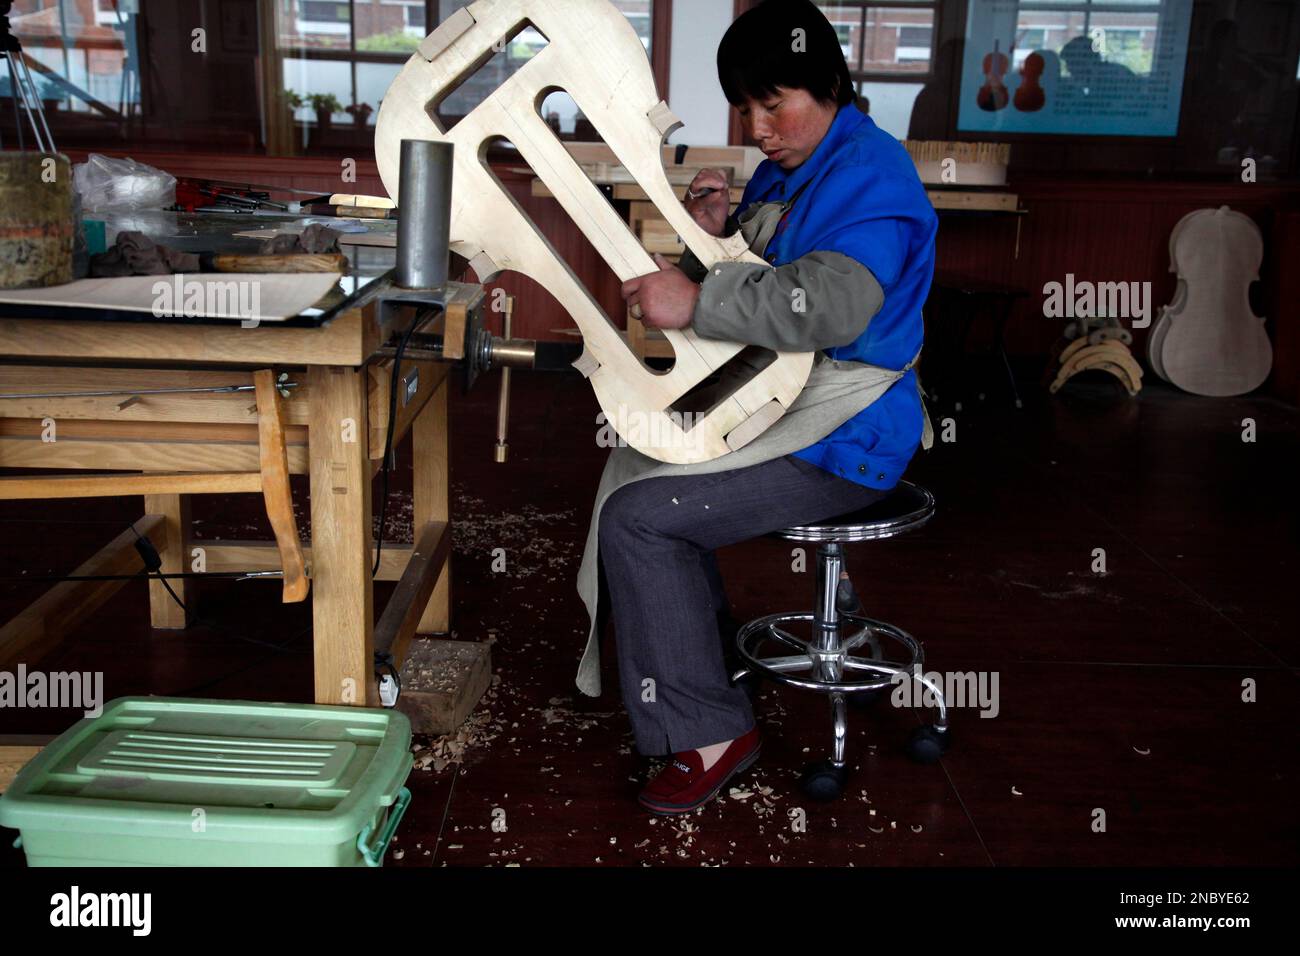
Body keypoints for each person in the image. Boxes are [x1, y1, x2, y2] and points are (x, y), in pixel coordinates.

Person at [602, 0, 937, 814]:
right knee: (641, 460)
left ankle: (715, 731)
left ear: (829, 85)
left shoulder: (871, 174)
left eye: (774, 102)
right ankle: (692, 663)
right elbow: (759, 267)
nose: (758, 125)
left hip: (846, 433)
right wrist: (714, 232)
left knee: (643, 518)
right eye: (746, 107)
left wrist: (700, 294)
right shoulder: (796, 165)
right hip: (785, 408)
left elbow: (831, 306)